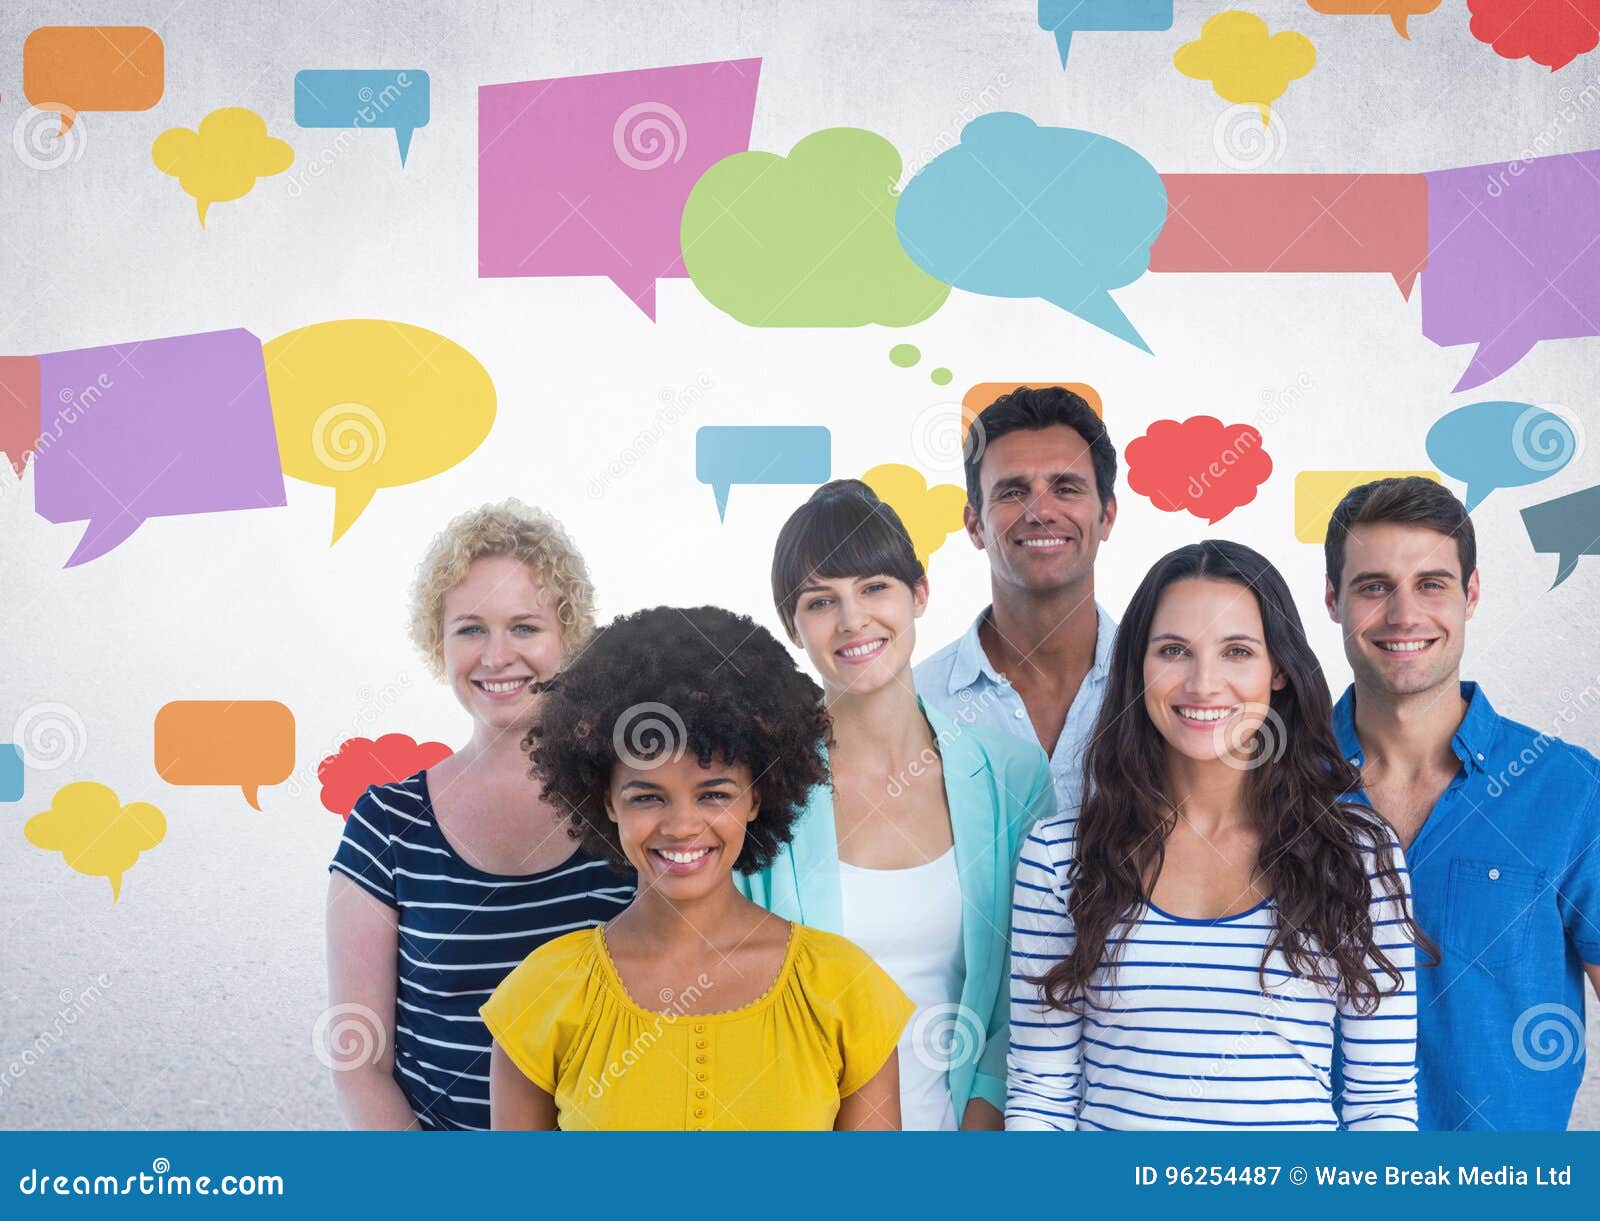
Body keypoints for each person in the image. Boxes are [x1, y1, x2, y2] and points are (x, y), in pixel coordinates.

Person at [1009, 540, 1422, 1130]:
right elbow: (1040, 1096)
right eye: (1174, 650)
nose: (1204, 684)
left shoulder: (1358, 853)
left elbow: (1381, 1106)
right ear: (1138, 667)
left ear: (1278, 669)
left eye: (1237, 651)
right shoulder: (1059, 856)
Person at [481, 605, 915, 1131]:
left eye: (714, 794)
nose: (682, 826)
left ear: (757, 797)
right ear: (607, 802)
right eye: (647, 797)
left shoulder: (845, 989)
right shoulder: (542, 995)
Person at [740, 480, 1055, 1131]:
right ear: (793, 628)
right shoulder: (756, 792)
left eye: (874, 587)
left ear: (919, 593)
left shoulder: (1012, 777)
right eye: (821, 601)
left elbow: (1028, 994)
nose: (853, 619)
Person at [325, 501, 633, 1130]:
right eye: (470, 628)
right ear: (437, 642)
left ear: (567, 638)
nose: (497, 656)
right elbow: (358, 1064)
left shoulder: (635, 804)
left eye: (525, 627)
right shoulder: (387, 822)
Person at [1324, 476, 1600, 1130]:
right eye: (1373, 586)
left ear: (1471, 594)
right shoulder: (1273, 786)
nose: (1404, 614)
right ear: (1333, 599)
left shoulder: (1568, 789)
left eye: (1431, 583)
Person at [916, 386, 1118, 815]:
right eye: (1012, 492)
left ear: (1107, 516)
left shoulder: (1166, 688)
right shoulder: (916, 705)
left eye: (1066, 487)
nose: (1040, 511)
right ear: (974, 525)